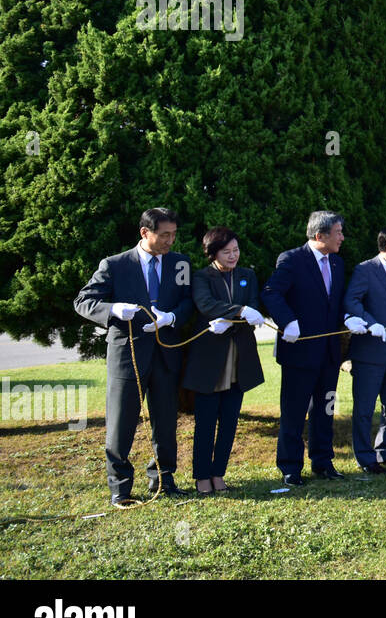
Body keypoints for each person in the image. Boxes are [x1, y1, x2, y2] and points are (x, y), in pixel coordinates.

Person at [74, 207, 194, 506]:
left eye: (173, 234)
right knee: (121, 424)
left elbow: (190, 301)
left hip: (166, 355)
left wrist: (172, 318)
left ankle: (164, 480)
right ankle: (120, 489)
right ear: (145, 233)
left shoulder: (180, 263)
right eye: (164, 235)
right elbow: (83, 301)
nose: (170, 240)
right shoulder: (115, 265)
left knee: (165, 423)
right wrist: (113, 309)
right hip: (128, 356)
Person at [262, 210, 355, 486]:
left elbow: (336, 303)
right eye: (338, 232)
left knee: (325, 409)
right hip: (300, 353)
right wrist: (288, 321)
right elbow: (271, 293)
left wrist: (349, 317)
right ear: (320, 235)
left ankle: (323, 462)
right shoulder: (291, 260)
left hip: (329, 353)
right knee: (294, 411)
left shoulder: (337, 264)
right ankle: (290, 466)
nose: (343, 237)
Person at [184, 227, 266, 495]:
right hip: (210, 359)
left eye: (236, 250)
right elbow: (206, 305)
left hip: (239, 358)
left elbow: (254, 305)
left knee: (230, 421)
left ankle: (219, 474)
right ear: (213, 253)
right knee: (206, 422)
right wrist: (239, 312)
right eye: (226, 252)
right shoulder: (202, 277)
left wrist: (240, 315)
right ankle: (201, 477)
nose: (233, 256)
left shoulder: (247, 276)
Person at [344, 225, 386, 472]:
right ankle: (365, 458)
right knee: (364, 408)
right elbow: (351, 301)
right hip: (369, 352)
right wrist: (371, 323)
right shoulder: (365, 270)